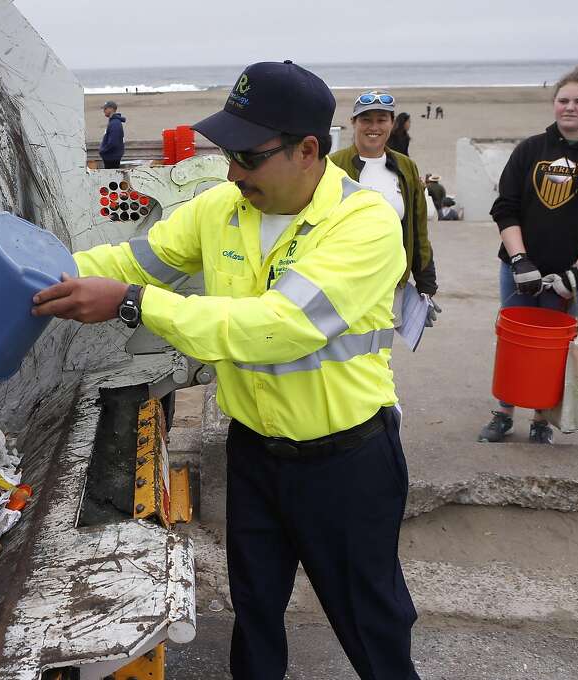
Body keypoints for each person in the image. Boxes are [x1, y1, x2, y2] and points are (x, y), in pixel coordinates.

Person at [33, 61, 420, 680]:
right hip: (255, 458)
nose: (232, 171)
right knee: (256, 610)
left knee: (371, 622)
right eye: (227, 153)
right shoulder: (221, 208)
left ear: (308, 150)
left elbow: (278, 327)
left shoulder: (365, 223)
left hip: (345, 464)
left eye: (248, 155)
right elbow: (135, 258)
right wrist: (39, 275)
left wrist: (133, 305)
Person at [478, 64, 578, 445]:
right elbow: (506, 207)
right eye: (563, 100)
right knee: (513, 340)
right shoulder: (531, 149)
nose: (570, 107)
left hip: (571, 272)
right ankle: (504, 412)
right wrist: (519, 260)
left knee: (554, 347)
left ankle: (542, 416)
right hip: (520, 266)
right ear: (554, 103)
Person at [331, 91, 439, 321]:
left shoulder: (406, 167)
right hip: (341, 283)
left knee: (381, 353)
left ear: (391, 123)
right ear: (353, 122)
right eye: (366, 120)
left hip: (391, 285)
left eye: (381, 120)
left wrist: (426, 286)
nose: (374, 127)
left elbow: (418, 230)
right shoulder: (332, 166)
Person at [99, 100, 126, 169]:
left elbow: (113, 142)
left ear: (111, 109)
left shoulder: (115, 123)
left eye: (105, 108)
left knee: (111, 178)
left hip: (111, 157)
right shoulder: (113, 122)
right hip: (111, 156)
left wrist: (103, 151)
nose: (104, 110)